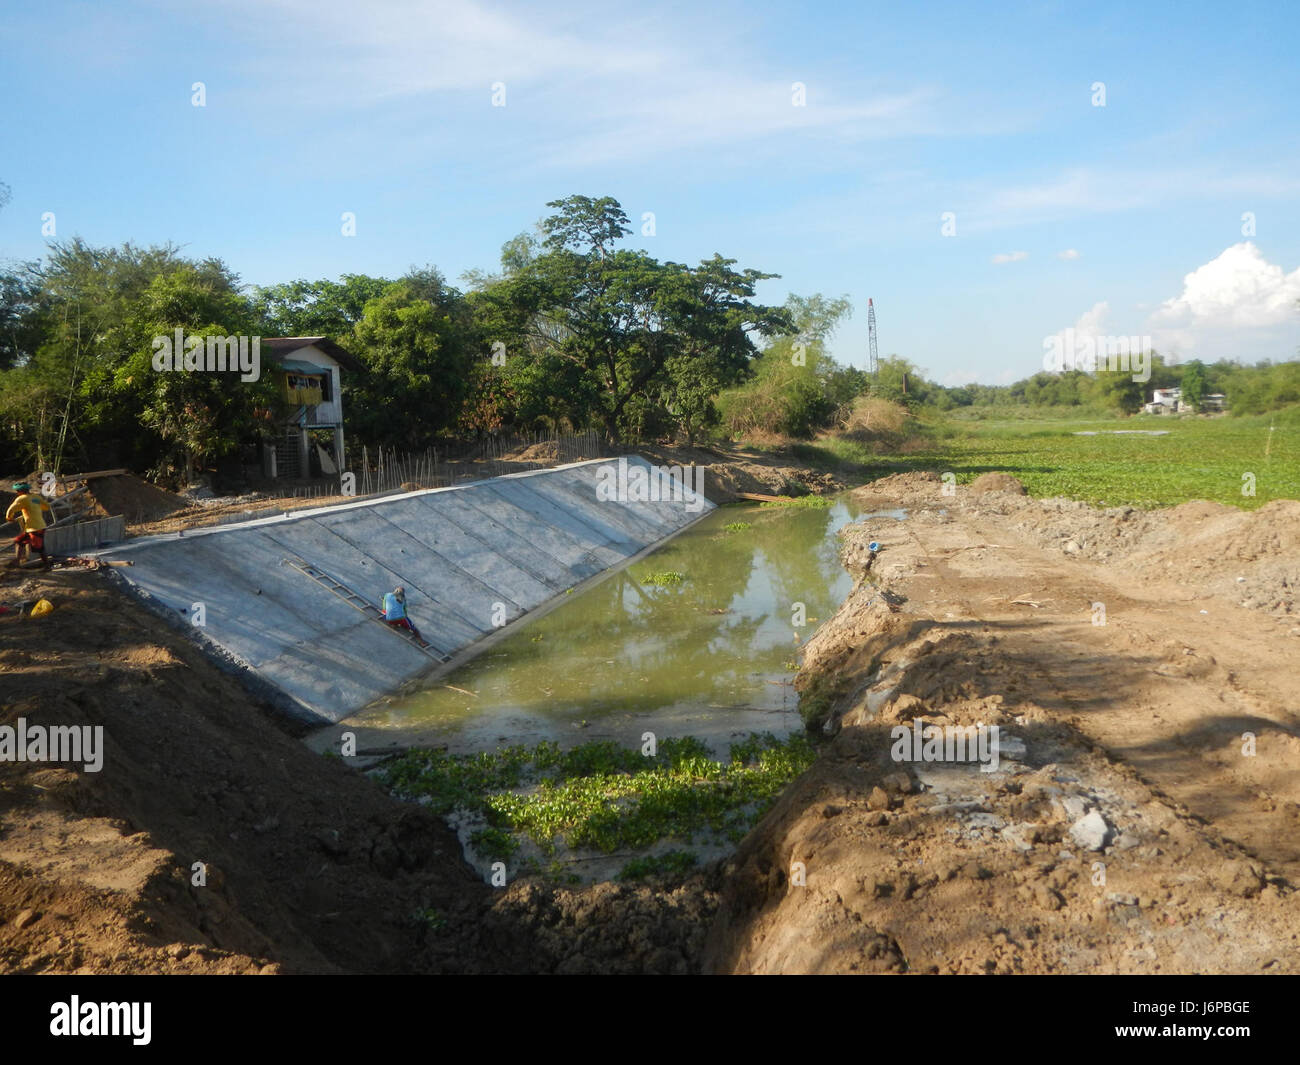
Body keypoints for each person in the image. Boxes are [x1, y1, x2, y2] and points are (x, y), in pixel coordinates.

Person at [6, 482, 53, 569]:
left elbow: (11, 509)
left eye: (17, 491)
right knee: (19, 541)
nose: (17, 493)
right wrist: (36, 507)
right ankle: (17, 561)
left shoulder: (22, 499)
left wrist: (9, 518)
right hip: (35, 526)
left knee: (39, 548)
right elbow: (47, 506)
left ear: (20, 491)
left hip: (35, 528)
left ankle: (47, 566)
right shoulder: (36, 497)